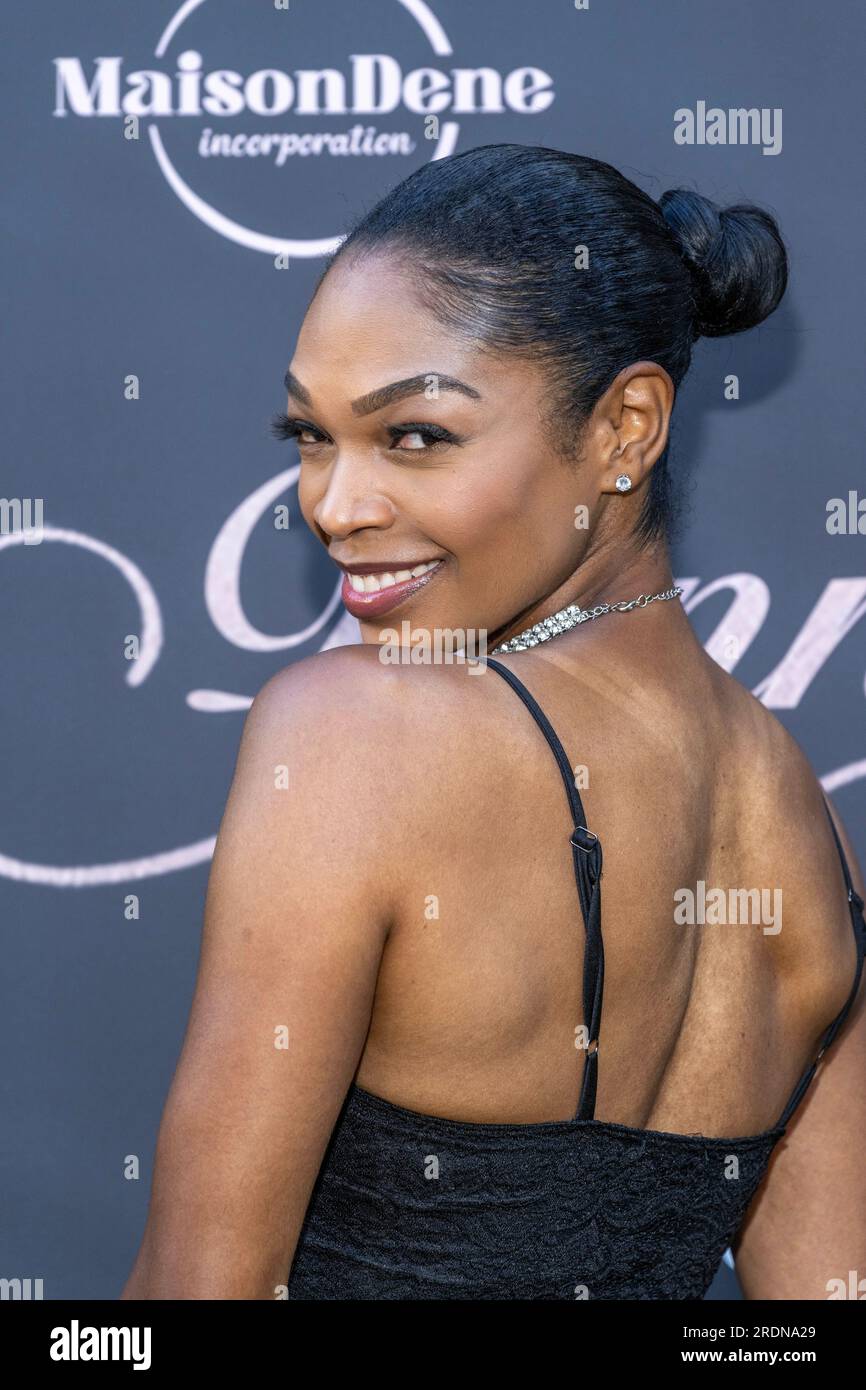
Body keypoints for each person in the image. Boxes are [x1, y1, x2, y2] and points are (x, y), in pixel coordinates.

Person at [121, 145, 865, 1300]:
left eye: (413, 436)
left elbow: (193, 1292)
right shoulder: (809, 840)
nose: (335, 505)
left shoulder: (355, 735)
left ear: (625, 429)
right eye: (309, 437)